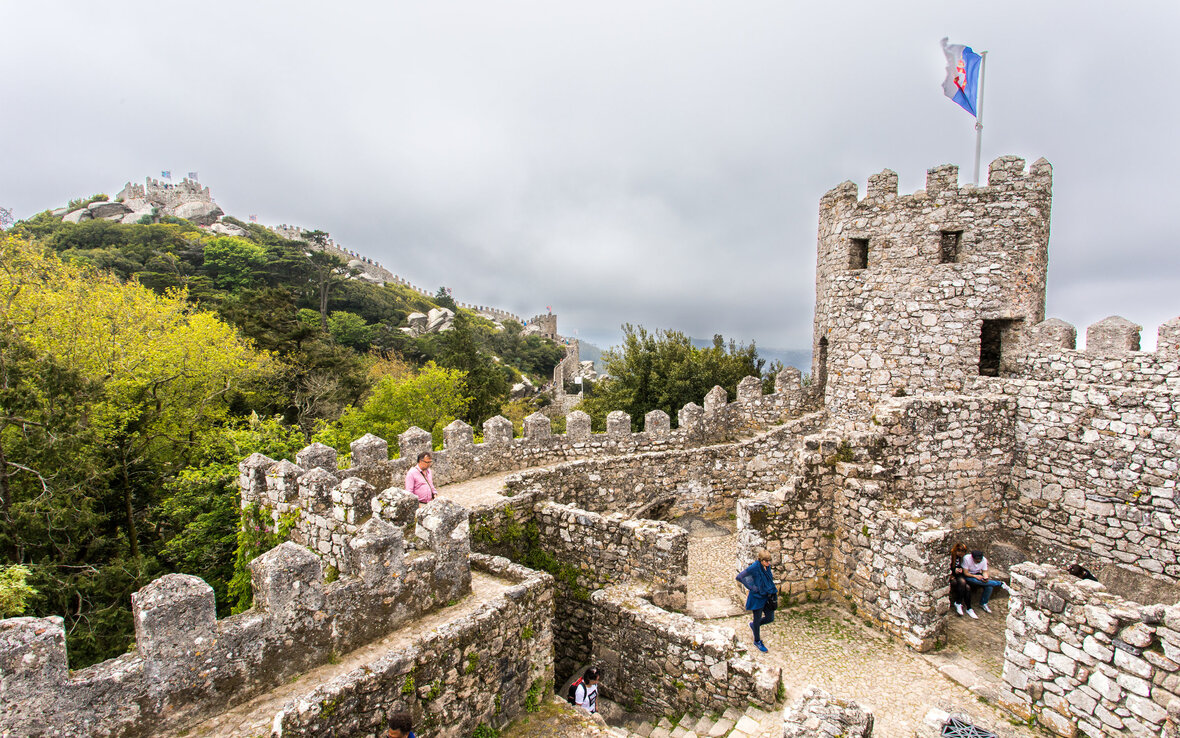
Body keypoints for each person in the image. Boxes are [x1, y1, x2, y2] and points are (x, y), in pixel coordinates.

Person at [736, 548, 777, 653]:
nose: (768, 563)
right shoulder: (755, 567)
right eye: (766, 561)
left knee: (770, 617)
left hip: (766, 596)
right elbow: (740, 577)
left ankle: (754, 625)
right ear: (761, 560)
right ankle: (757, 640)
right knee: (757, 618)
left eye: (769, 561)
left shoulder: (767, 568)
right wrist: (752, 587)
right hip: (757, 597)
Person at [962, 549, 1011, 615]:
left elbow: (984, 571)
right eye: (977, 560)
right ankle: (1000, 583)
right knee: (975, 580)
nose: (979, 561)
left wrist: (985, 577)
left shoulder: (984, 560)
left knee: (989, 586)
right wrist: (975, 576)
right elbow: (965, 573)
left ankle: (983, 603)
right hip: (969, 576)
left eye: (980, 559)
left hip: (978, 575)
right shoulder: (966, 559)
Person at [949, 542, 971, 617]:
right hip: (952, 574)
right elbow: (949, 567)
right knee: (962, 582)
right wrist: (953, 571)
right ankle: (958, 603)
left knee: (967, 587)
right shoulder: (951, 556)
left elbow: (960, 566)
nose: (962, 554)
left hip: (958, 574)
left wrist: (960, 569)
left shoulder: (962, 558)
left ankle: (969, 607)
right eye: (960, 552)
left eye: (963, 553)